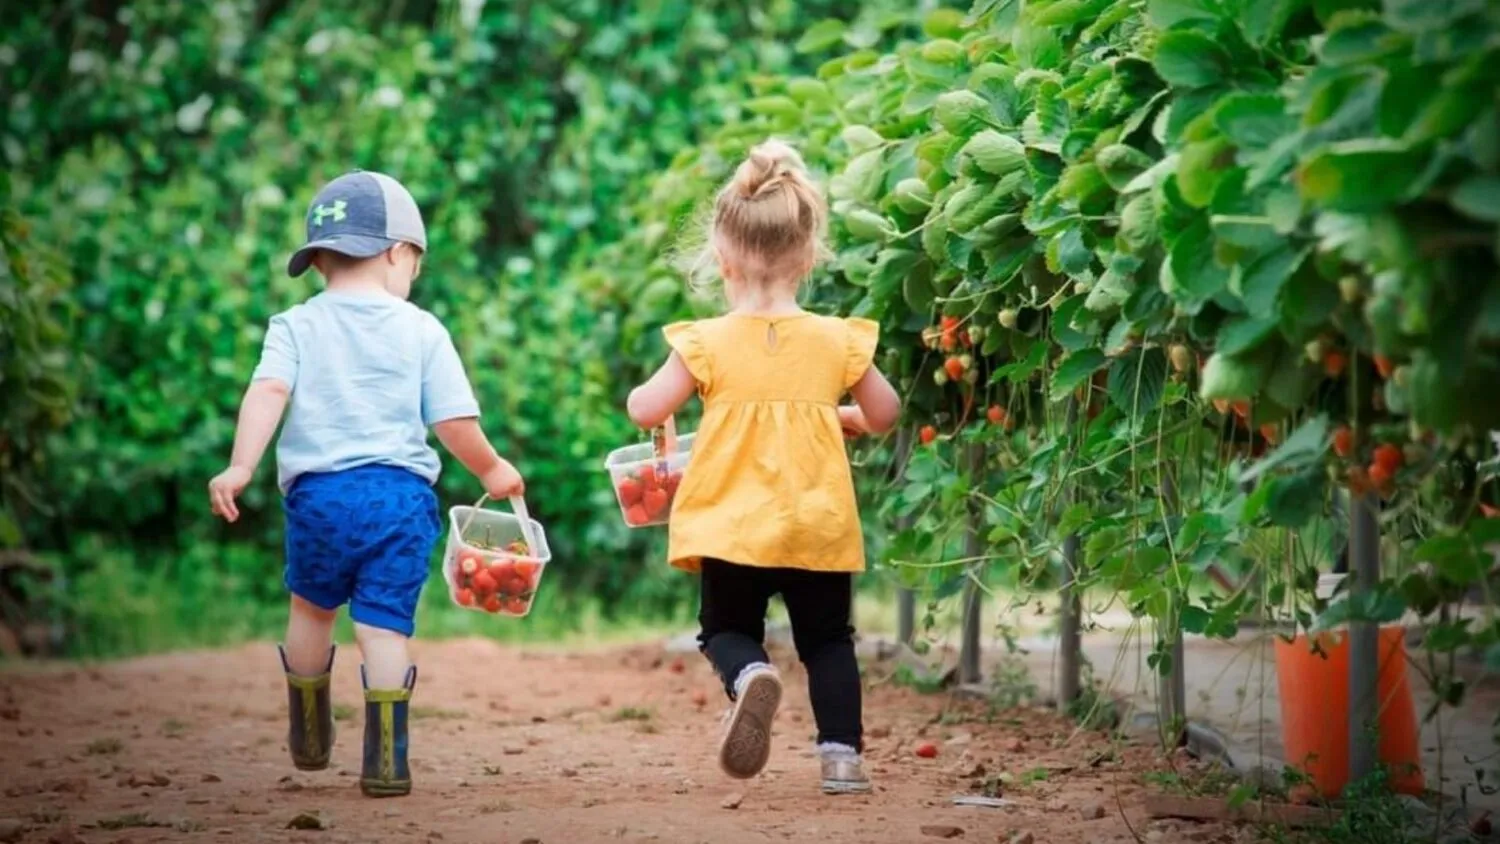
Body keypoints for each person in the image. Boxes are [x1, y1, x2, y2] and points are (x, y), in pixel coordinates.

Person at [206, 170, 524, 798]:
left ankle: (310, 729)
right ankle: (386, 759)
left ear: (321, 258)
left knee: (310, 606)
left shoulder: (294, 325)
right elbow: (452, 421)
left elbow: (267, 391)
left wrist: (241, 465)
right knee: (382, 628)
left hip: (318, 498)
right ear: (396, 253)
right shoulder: (421, 329)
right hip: (399, 501)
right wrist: (491, 469)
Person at [626, 140, 901, 795]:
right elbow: (885, 412)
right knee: (829, 640)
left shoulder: (706, 341)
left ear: (722, 259)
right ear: (808, 256)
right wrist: (841, 415)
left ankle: (749, 676)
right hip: (815, 522)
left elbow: (644, 409)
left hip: (732, 523)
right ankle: (841, 759)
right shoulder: (838, 339)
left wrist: (676, 399)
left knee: (725, 629)